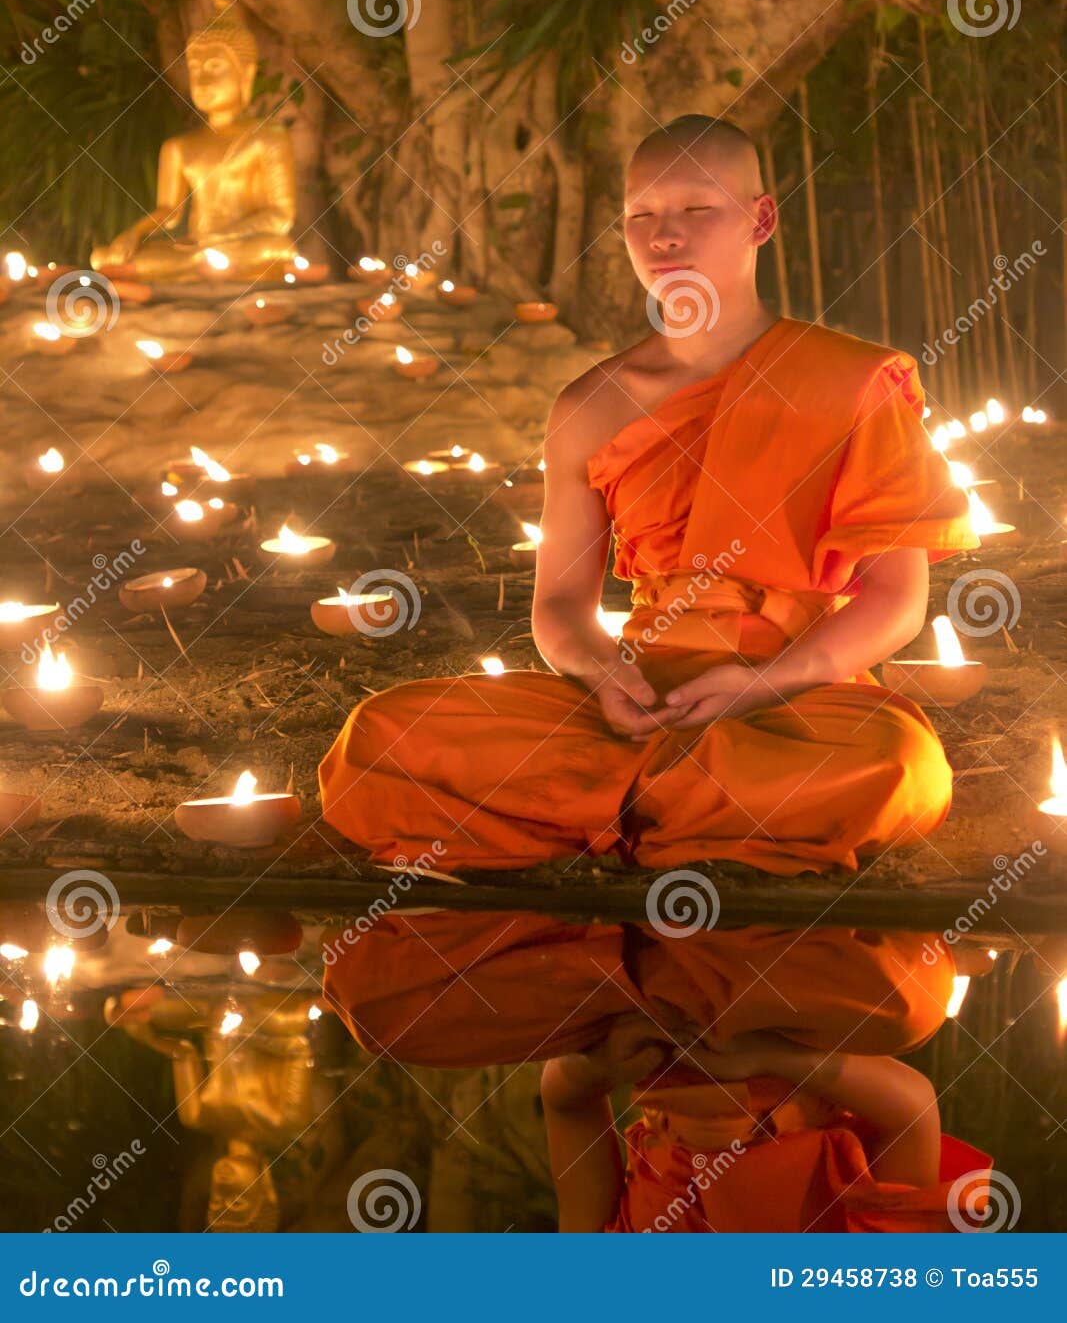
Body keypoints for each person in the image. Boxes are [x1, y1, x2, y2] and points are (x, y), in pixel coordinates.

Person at [319, 114, 978, 873]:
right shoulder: (589, 405)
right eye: (642, 216)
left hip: (799, 697)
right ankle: (675, 814)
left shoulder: (852, 382)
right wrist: (605, 676)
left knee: (891, 768)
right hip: (640, 693)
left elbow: (895, 600)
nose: (665, 236)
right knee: (382, 735)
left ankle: (597, 815)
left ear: (760, 218)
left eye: (697, 208)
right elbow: (561, 607)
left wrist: (763, 682)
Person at [541, 1017, 993, 1233]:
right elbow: (913, 1111)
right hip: (796, 1016)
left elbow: (565, 1103)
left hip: (656, 1013)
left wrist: (600, 1064)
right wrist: (769, 1057)